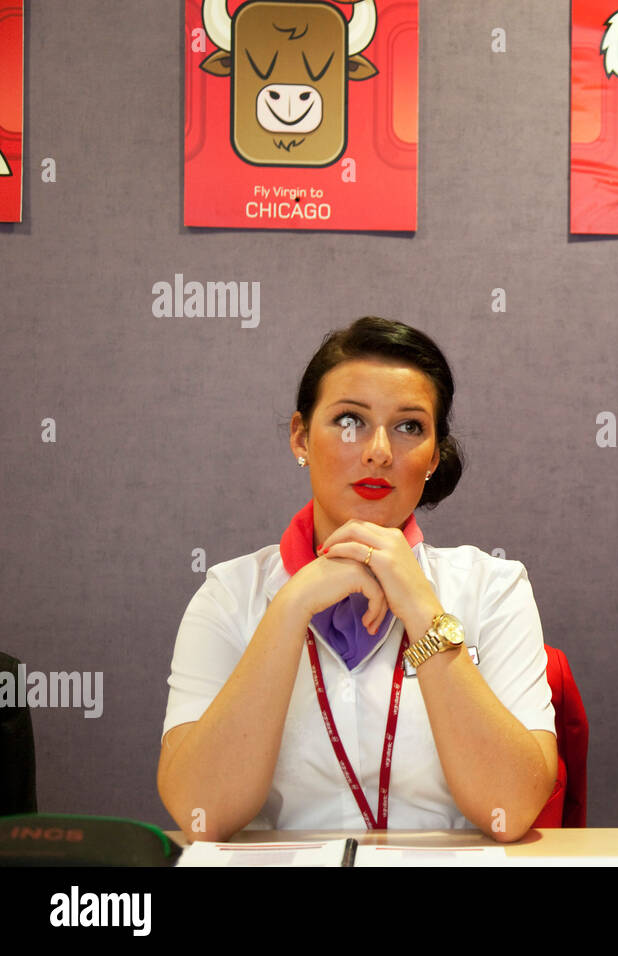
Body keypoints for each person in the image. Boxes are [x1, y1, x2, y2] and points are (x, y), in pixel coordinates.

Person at [158, 317, 556, 842]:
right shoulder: (231, 594)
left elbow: (511, 809)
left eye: (409, 426)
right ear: (300, 436)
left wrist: (423, 610)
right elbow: (199, 813)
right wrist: (290, 606)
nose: (379, 452)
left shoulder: (494, 586)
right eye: (350, 421)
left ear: (434, 455)